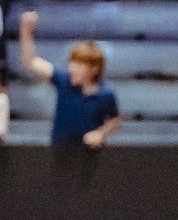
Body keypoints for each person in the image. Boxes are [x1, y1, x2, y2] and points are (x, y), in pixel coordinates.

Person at [16, 11, 121, 147]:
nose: (72, 68)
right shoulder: (64, 81)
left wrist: (100, 133)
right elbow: (31, 61)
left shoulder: (105, 94)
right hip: (59, 151)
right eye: (72, 63)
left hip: (89, 154)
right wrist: (26, 30)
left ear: (94, 68)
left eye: (79, 64)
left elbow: (115, 121)